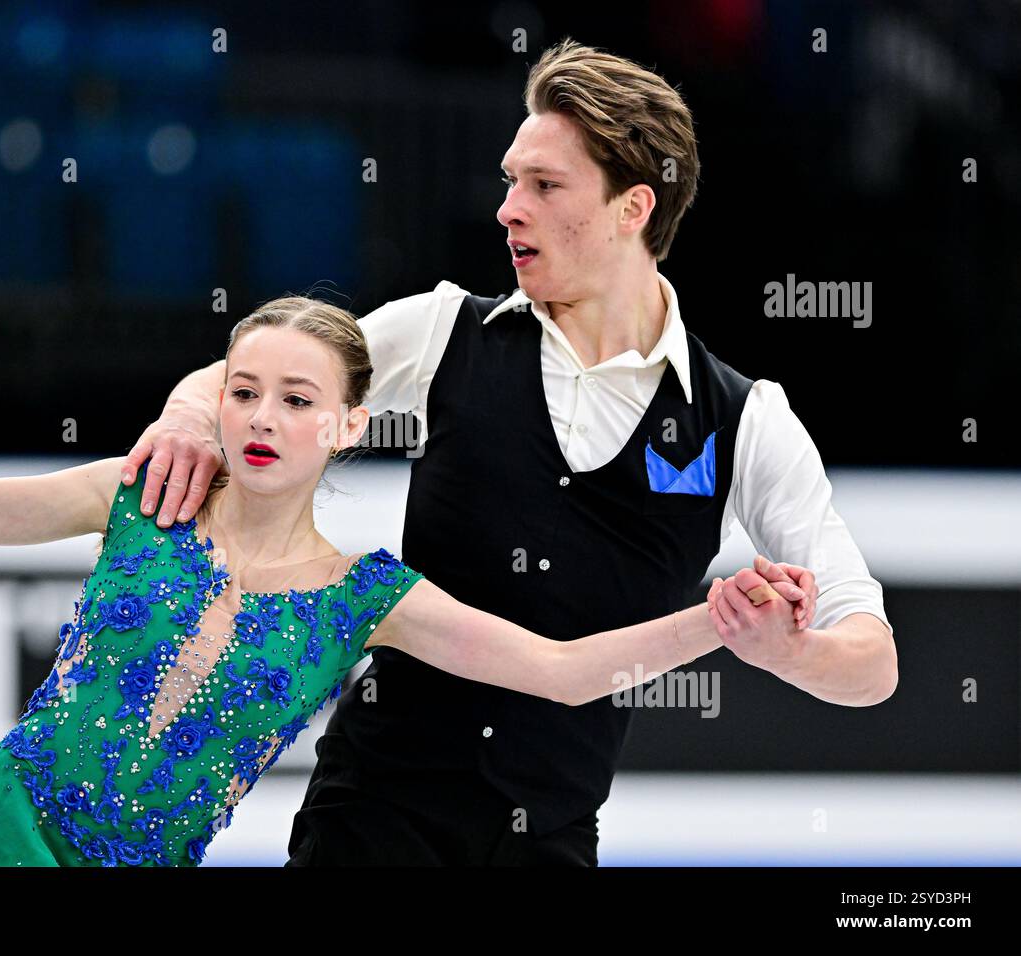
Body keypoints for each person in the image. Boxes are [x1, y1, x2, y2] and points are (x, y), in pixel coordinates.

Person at [121, 39, 897, 866]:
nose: (507, 209)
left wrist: (789, 651)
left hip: (549, 839)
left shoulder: (745, 419)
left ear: (633, 209)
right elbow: (246, 377)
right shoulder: (443, 331)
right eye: (510, 180)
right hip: (374, 818)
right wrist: (183, 417)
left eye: (544, 185)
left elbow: (874, 662)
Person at [0, 262, 806, 866]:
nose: (262, 417)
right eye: (242, 391)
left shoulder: (363, 594)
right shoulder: (145, 498)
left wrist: (718, 618)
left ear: (347, 424)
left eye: (293, 397)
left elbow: (562, 669)